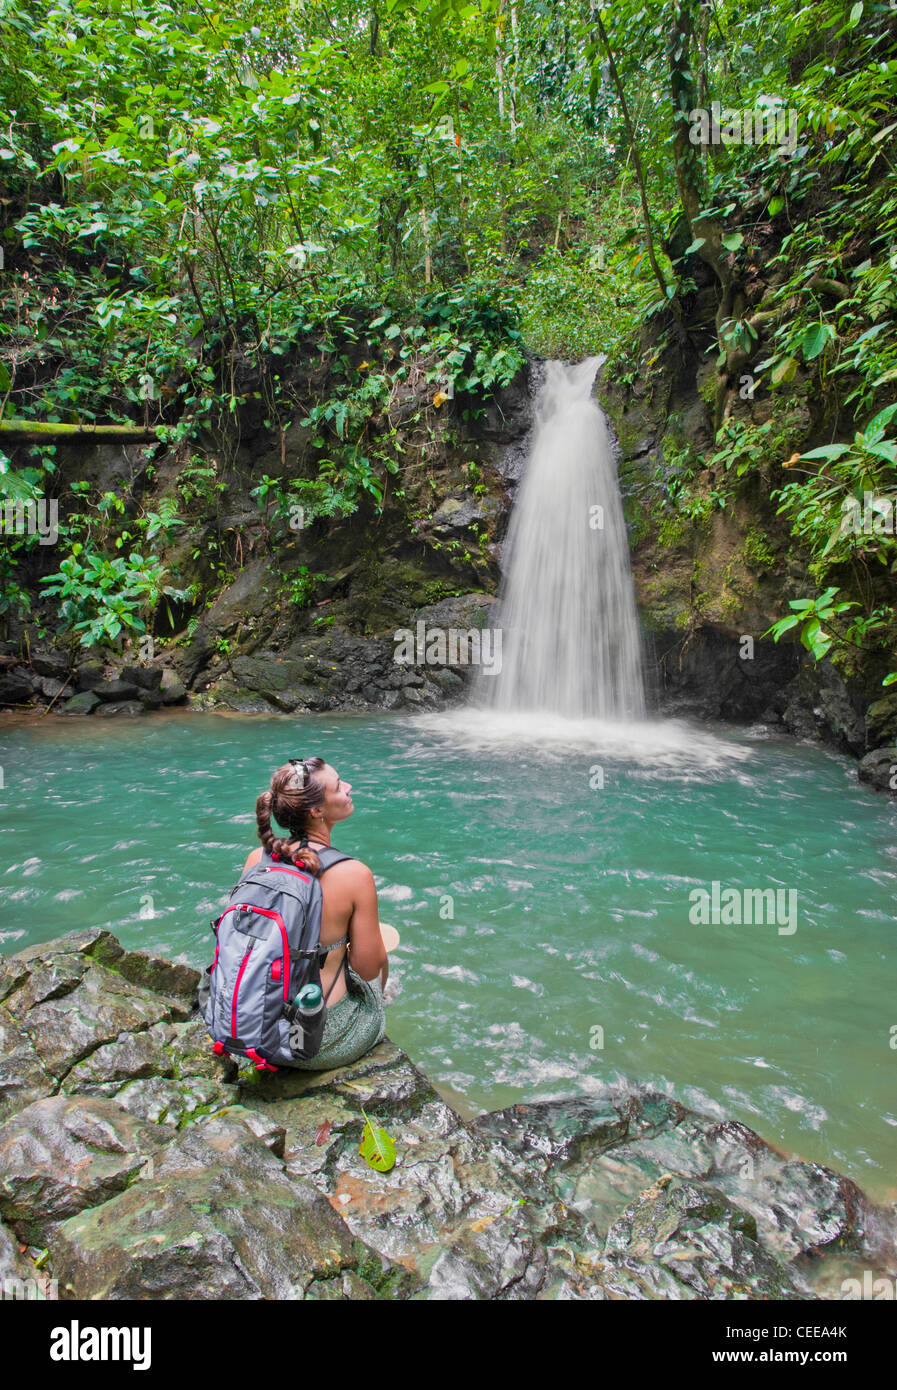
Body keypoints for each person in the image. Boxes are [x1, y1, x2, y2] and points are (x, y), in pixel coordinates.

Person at [242, 756, 388, 1070]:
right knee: (380, 964)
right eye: (339, 786)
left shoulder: (257, 857)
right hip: (314, 1040)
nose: (348, 787)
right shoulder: (354, 874)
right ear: (317, 811)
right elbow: (367, 968)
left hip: (253, 1026)